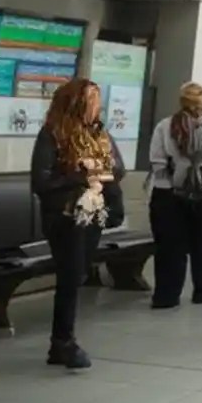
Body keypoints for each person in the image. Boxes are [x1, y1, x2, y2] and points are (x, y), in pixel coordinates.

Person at [29, 79, 126, 369]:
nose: (96, 107)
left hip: (93, 211)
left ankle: (63, 340)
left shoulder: (99, 133)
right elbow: (42, 182)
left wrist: (100, 170)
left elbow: (118, 167)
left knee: (79, 272)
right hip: (64, 215)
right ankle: (62, 342)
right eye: (90, 101)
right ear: (74, 104)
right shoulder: (52, 135)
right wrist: (80, 174)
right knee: (70, 275)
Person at [147, 82, 202, 309]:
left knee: (169, 247)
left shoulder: (165, 126)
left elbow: (157, 161)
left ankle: (167, 296)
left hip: (168, 192)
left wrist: (177, 173)